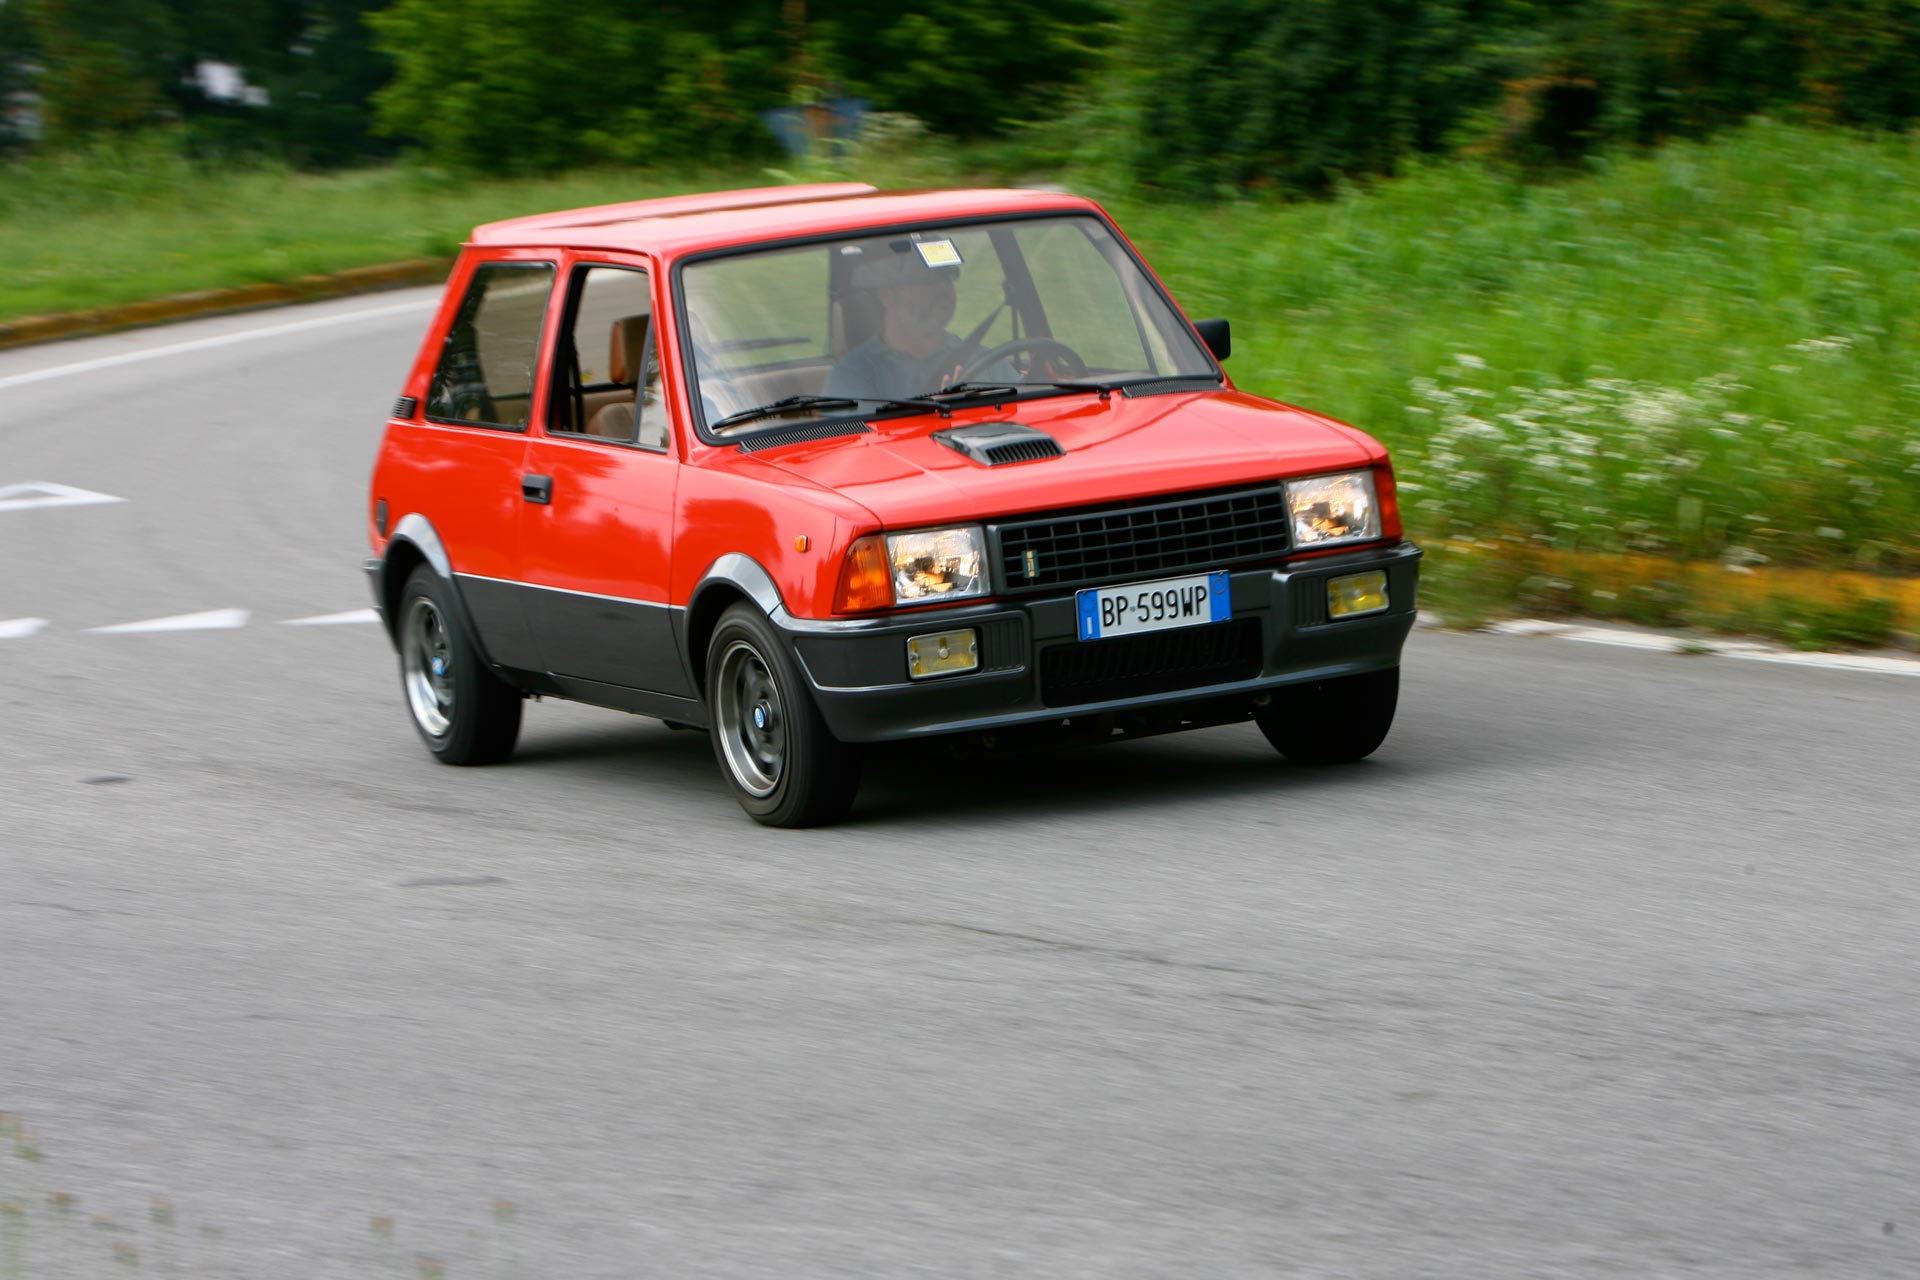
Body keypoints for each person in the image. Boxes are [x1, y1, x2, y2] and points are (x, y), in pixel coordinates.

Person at [825, 250, 988, 401]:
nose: (943, 288)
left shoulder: (981, 359)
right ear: (887, 295)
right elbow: (864, 432)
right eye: (926, 279)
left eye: (948, 277)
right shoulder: (854, 373)